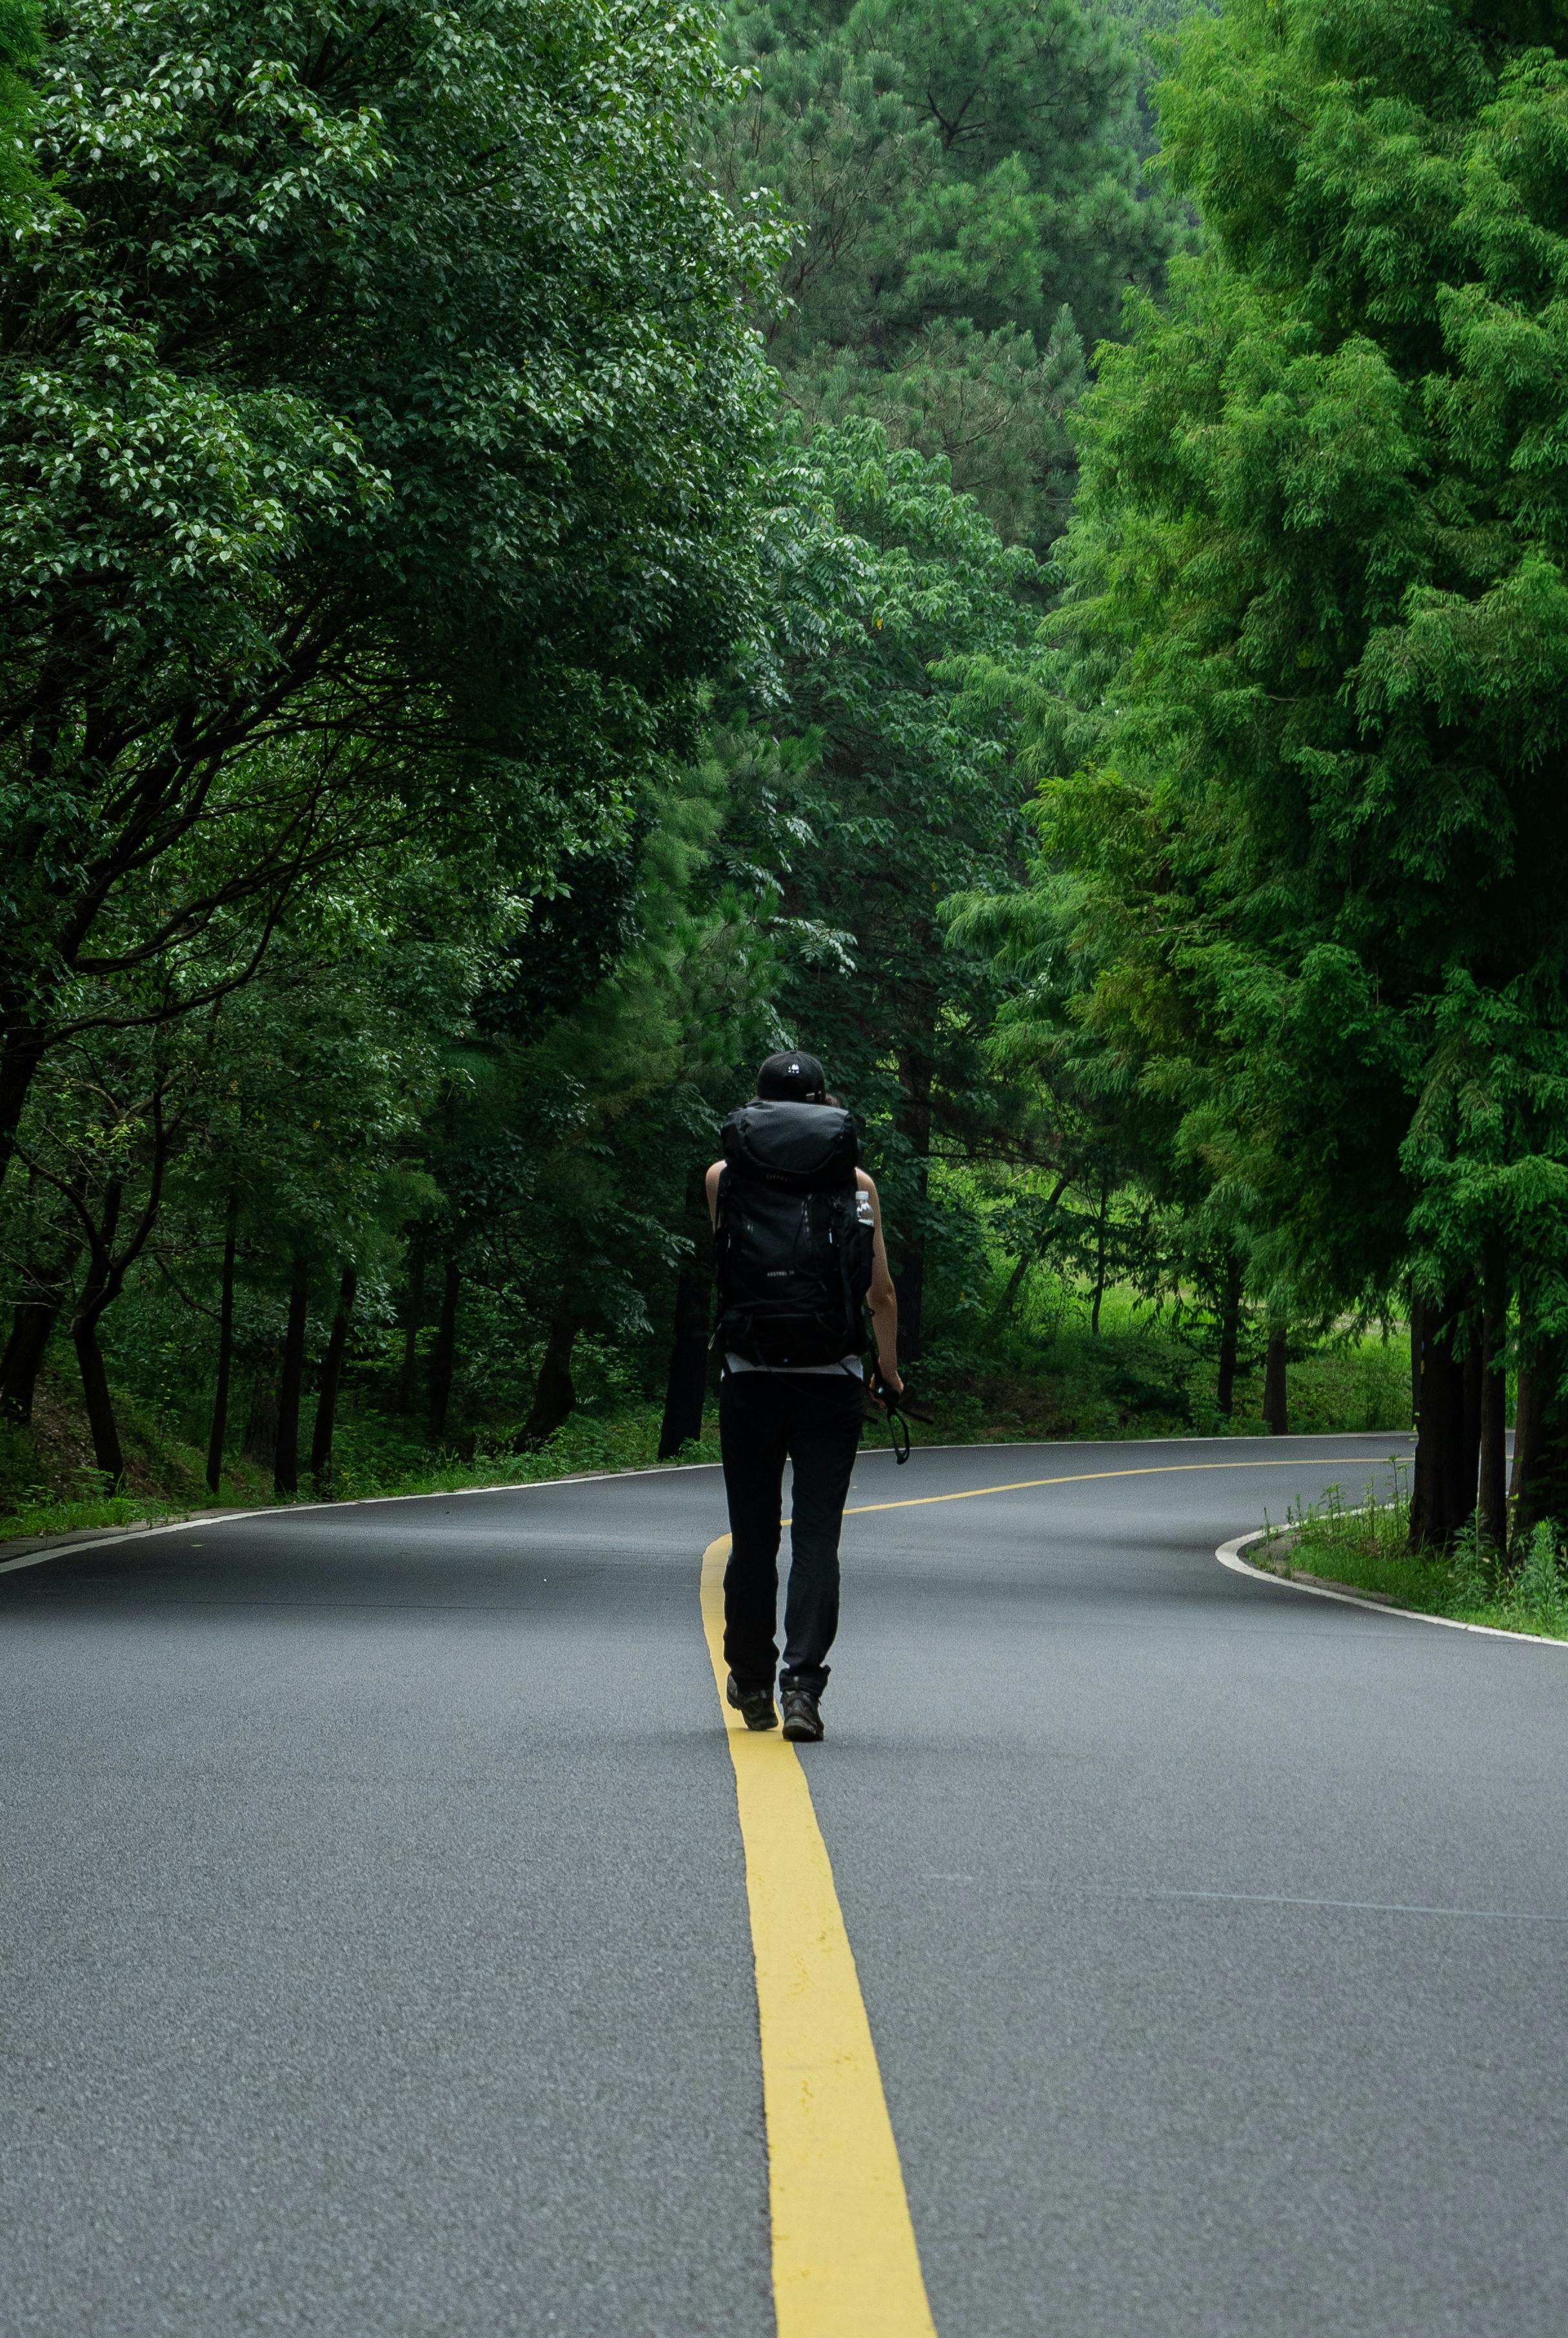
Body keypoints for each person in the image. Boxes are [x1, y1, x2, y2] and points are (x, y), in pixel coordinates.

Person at [707, 1050, 902, 1743]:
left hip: (751, 1374)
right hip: (831, 1379)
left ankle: (751, 1680)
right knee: (817, 1536)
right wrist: (889, 1370)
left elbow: (729, 1267)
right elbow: (876, 1291)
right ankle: (801, 1689)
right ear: (825, 1104)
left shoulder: (723, 1178)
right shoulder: (856, 1183)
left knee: (753, 1536)